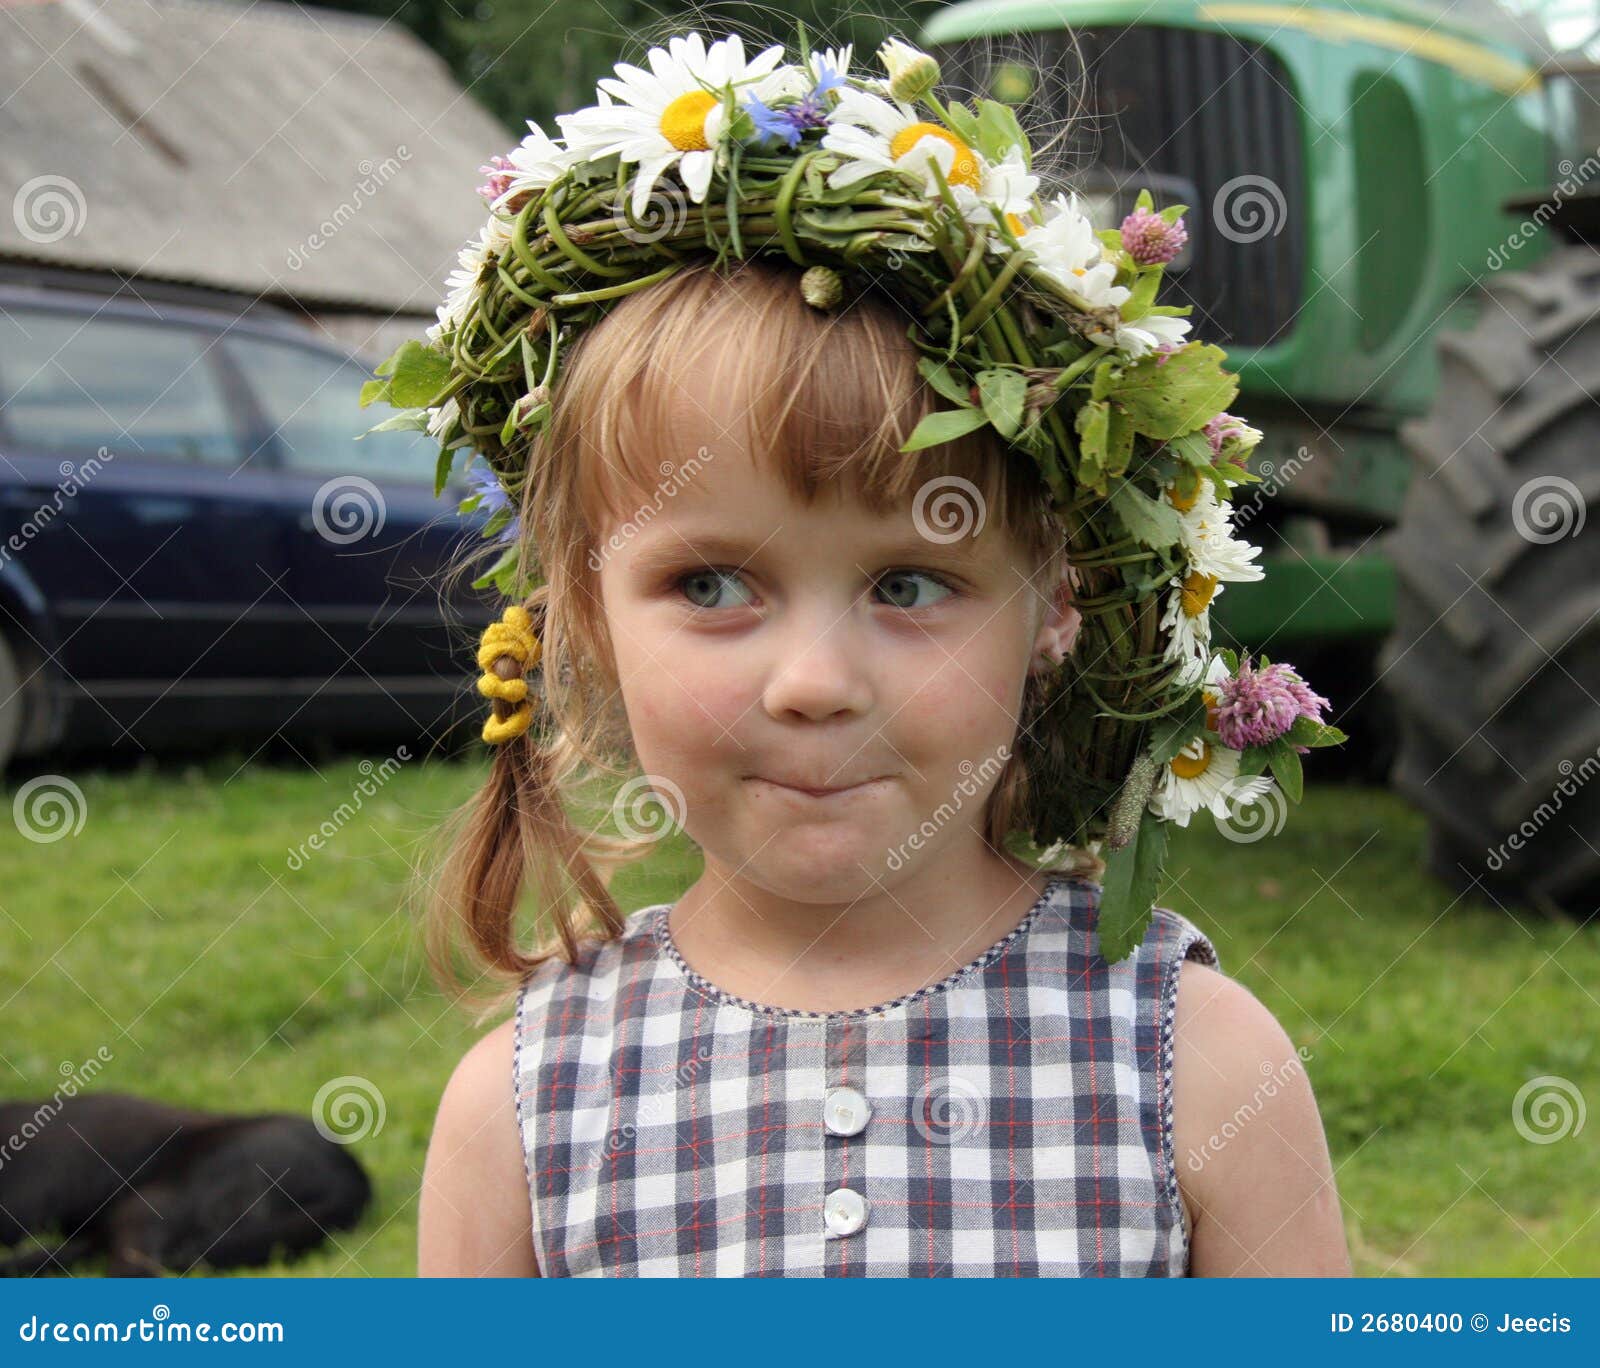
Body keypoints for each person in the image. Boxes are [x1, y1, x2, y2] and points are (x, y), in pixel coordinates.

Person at [406, 29, 1351, 1277]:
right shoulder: (524, 1111)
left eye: (910, 583)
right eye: (710, 584)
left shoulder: (1193, 1069)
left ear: (1054, 603)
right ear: (584, 610)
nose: (813, 684)